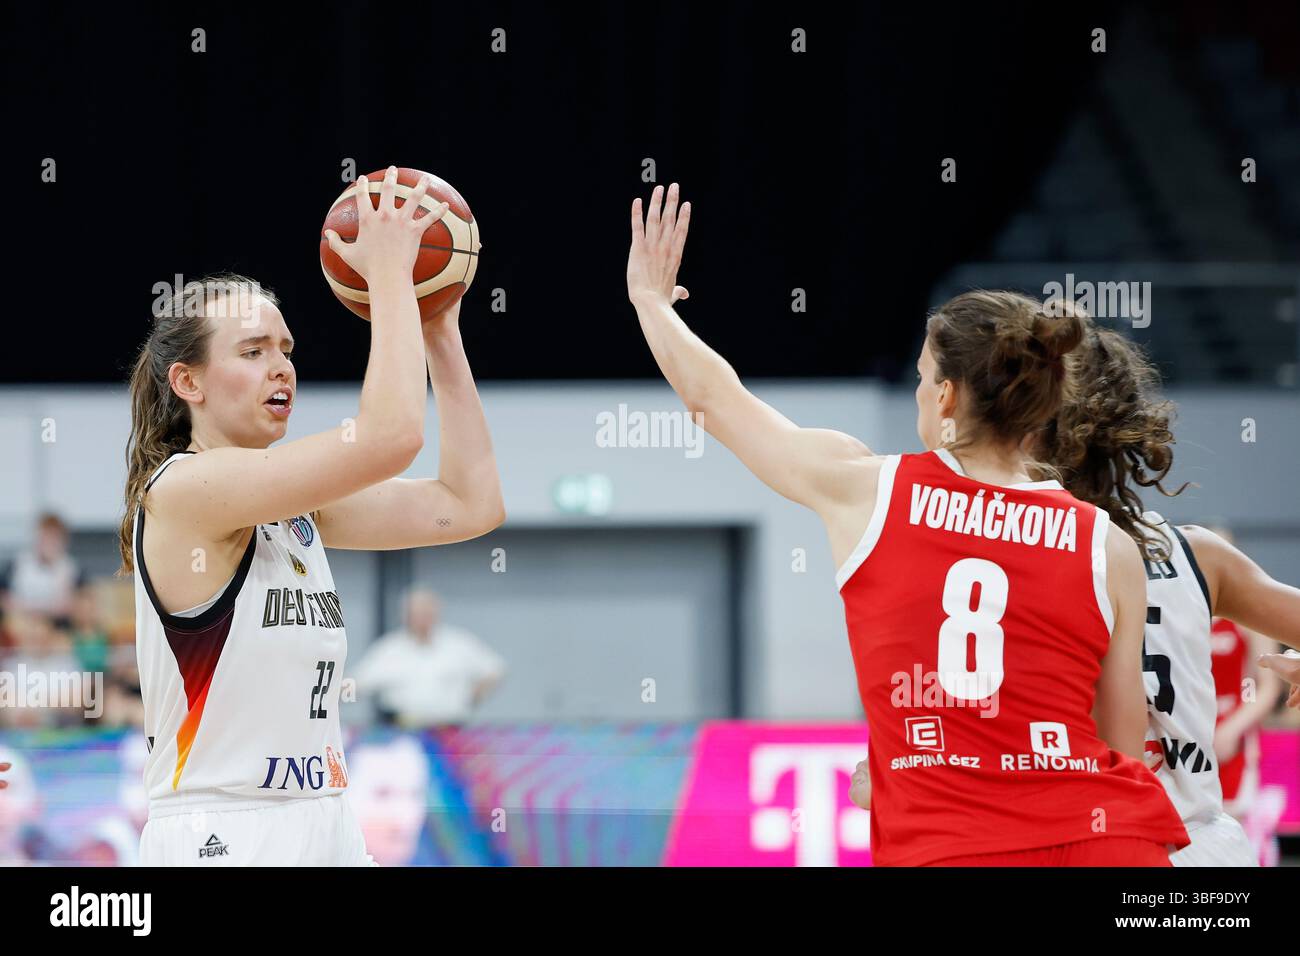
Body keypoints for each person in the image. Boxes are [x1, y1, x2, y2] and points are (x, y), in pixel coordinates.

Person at [626, 183, 1187, 866]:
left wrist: (651, 304)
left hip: (954, 849)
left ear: (946, 396)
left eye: (924, 377)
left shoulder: (867, 488)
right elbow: (1120, 745)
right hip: (1108, 844)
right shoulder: (1108, 543)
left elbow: (716, 398)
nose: (922, 390)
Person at [119, 168, 505, 865]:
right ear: (189, 382)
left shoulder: (294, 511)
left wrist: (439, 329)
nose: (282, 368)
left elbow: (468, 505)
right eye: (253, 351)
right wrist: (390, 276)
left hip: (326, 817)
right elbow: (390, 435)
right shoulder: (184, 491)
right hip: (224, 830)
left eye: (287, 350)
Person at [354, 588, 505, 728]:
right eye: (417, 613)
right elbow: (358, 682)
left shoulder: (459, 643)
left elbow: (495, 669)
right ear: (406, 615)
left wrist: (472, 697)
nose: (423, 618)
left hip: (450, 730)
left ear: (437, 612)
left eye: (427, 612)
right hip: (403, 730)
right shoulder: (390, 649)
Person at [0, 512, 86, 629]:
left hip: (56, 627)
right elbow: (5, 599)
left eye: (54, 537)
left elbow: (72, 606)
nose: (49, 542)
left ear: (63, 541)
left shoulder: (70, 568)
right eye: (45, 536)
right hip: (21, 624)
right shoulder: (18, 563)